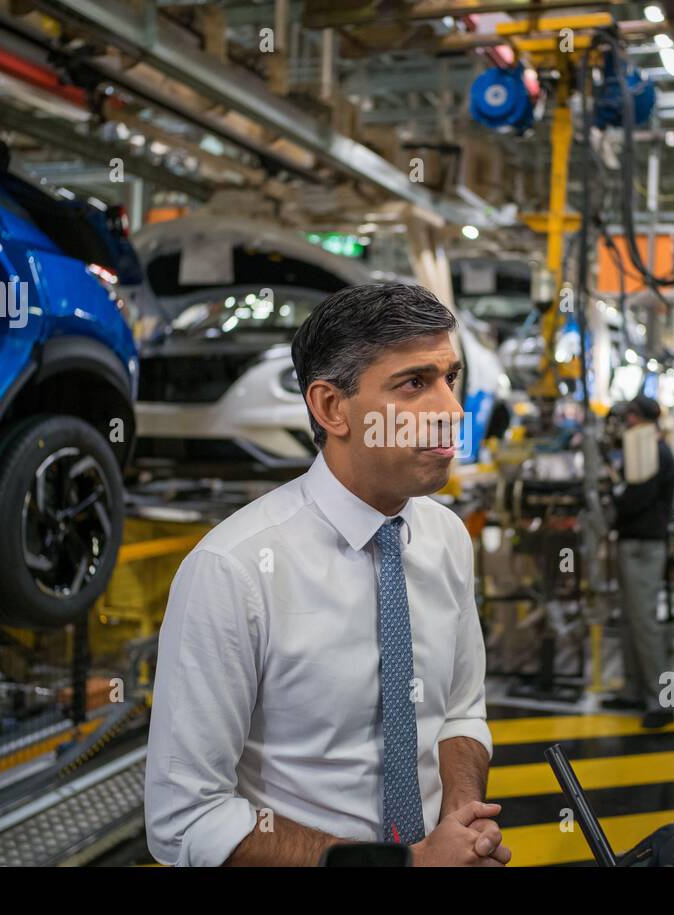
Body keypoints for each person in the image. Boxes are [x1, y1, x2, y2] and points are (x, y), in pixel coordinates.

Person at [144, 282, 508, 866]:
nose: (451, 412)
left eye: (449, 378)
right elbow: (187, 819)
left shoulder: (445, 540)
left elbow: (460, 710)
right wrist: (404, 865)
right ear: (331, 408)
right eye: (414, 384)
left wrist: (462, 819)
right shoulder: (233, 571)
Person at [604, 396, 674, 729]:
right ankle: (634, 690)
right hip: (633, 544)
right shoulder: (642, 448)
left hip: (644, 548)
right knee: (632, 622)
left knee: (645, 624)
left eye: (631, 415)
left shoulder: (655, 453)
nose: (627, 422)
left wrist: (615, 497)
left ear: (643, 418)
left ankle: (661, 702)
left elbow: (637, 497)